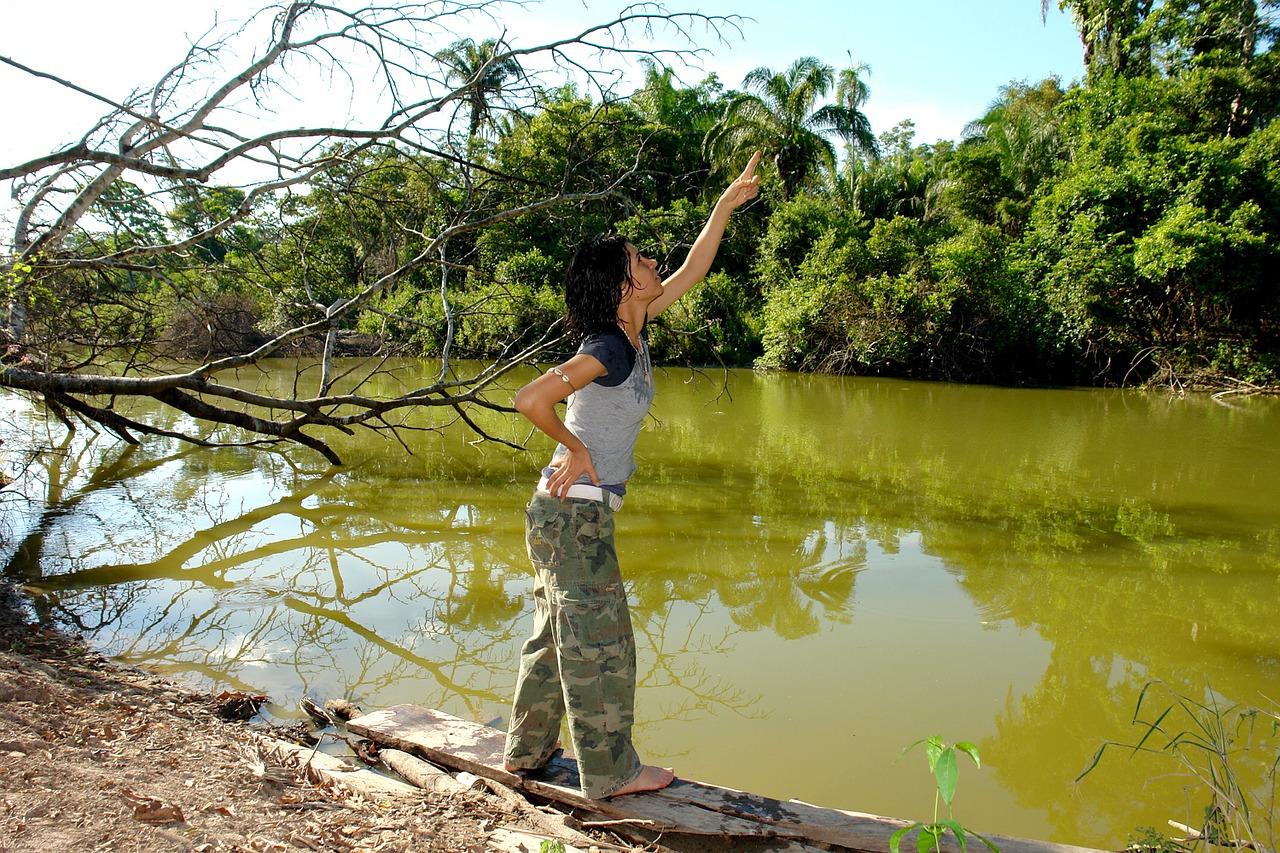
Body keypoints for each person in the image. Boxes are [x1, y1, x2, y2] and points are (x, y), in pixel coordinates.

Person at [502, 152, 762, 799]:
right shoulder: (607, 348)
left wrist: (726, 205)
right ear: (623, 285)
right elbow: (530, 398)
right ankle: (612, 773)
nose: (653, 265)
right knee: (602, 643)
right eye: (641, 261)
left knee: (559, 637)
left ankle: (527, 750)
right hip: (575, 516)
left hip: (562, 516)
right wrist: (575, 447)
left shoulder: (634, 327)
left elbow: (694, 269)